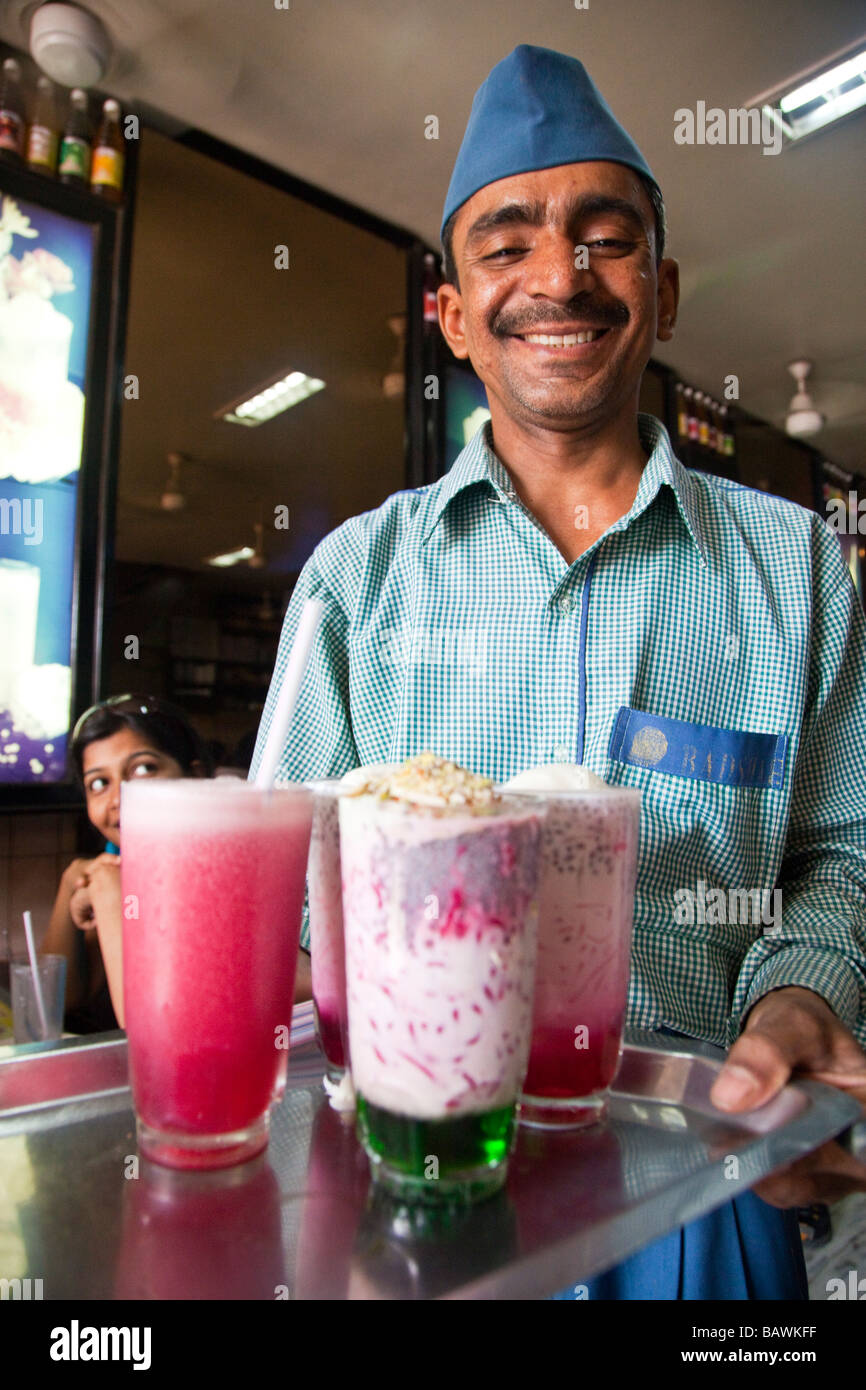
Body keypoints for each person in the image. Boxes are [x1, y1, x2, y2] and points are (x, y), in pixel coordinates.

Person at [252, 46, 866, 1298]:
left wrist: (800, 996)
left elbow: (842, 852)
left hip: (702, 1174)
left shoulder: (795, 567)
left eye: (606, 234)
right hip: (408, 1194)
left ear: (665, 287)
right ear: (452, 313)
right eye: (506, 241)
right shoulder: (357, 581)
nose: (560, 276)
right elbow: (281, 891)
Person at [43, 694, 215, 1031]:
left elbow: (156, 1032)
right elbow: (55, 1003)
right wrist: (73, 882)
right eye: (99, 783)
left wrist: (109, 893)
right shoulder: (114, 867)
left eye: (143, 769)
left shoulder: (221, 875)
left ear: (194, 775)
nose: (119, 798)